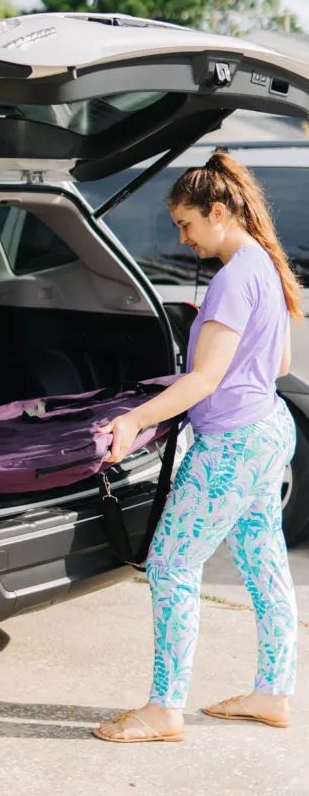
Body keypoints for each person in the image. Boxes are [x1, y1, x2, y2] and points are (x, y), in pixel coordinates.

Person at [93, 151, 300, 744]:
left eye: (186, 224)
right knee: (264, 565)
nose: (182, 238)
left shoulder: (234, 276)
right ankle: (272, 693)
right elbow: (280, 363)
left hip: (233, 444)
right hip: (268, 429)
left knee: (171, 564)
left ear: (217, 211)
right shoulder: (265, 261)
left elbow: (204, 379)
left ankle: (164, 710)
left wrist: (133, 421)